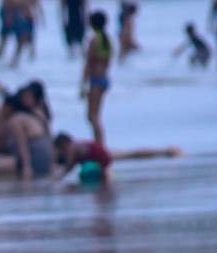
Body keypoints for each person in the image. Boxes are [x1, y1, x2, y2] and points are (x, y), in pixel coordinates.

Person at [53, 132, 181, 185]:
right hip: (101, 154)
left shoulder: (71, 148)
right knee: (131, 155)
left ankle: (166, 151)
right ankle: (165, 151)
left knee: (130, 156)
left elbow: (69, 167)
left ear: (63, 145)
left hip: (101, 159)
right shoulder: (77, 144)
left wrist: (55, 179)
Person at [4, 91, 52, 180]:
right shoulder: (36, 116)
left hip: (36, 158)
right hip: (46, 159)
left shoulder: (16, 119)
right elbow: (49, 139)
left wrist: (27, 167)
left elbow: (22, 144)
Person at [82, 10, 112, 146]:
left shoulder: (94, 40)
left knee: (92, 116)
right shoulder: (108, 40)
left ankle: (100, 144)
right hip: (105, 78)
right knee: (95, 115)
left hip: (95, 80)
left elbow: (89, 63)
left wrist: (82, 84)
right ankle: (99, 143)